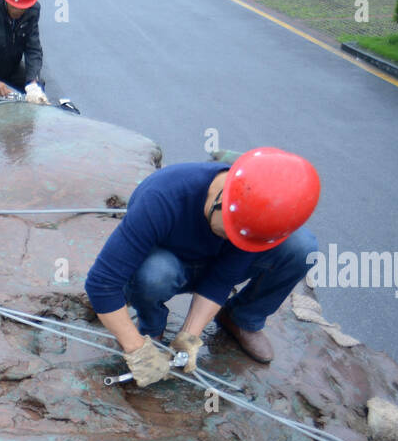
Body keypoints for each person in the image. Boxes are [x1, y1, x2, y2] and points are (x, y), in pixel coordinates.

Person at [83, 148, 321, 387]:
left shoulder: (254, 218)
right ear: (221, 199)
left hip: (210, 265)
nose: (234, 241)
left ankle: (241, 319)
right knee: (155, 274)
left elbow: (221, 279)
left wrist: (188, 337)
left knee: (302, 246)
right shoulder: (161, 197)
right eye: (231, 232)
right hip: (167, 267)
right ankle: (151, 326)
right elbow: (102, 283)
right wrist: (136, 348)